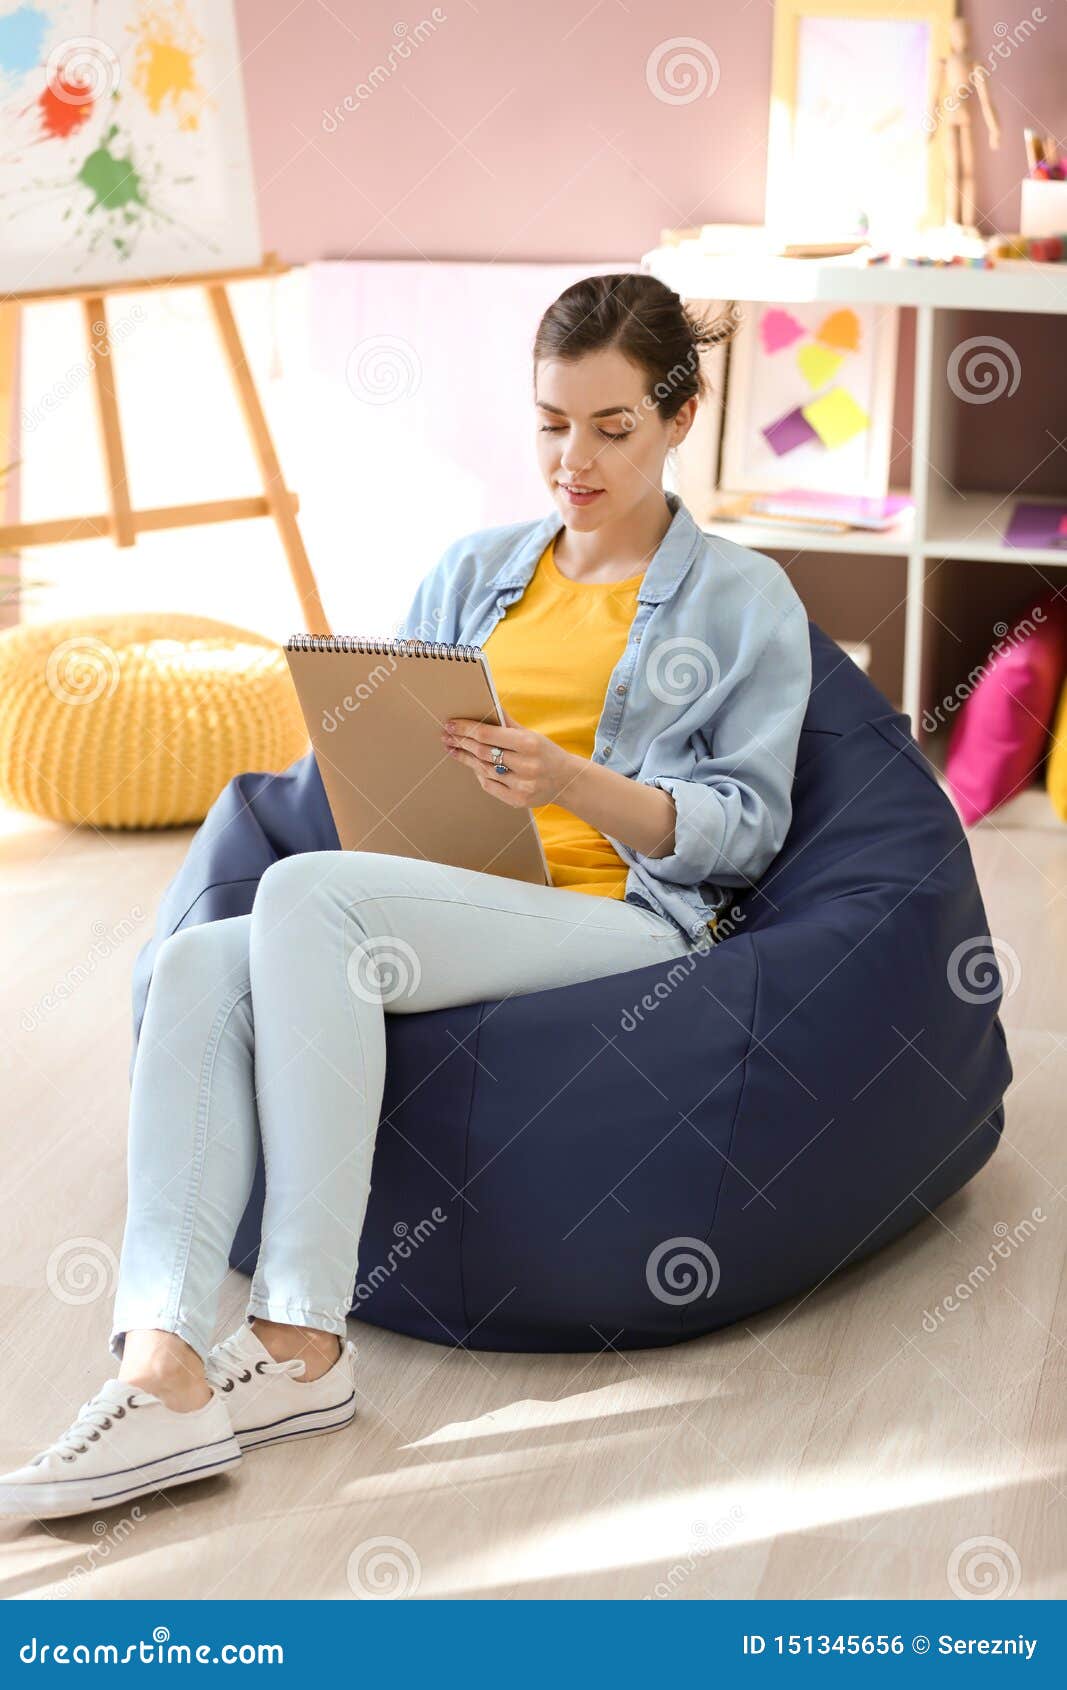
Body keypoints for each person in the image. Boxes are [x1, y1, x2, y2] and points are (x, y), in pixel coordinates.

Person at [0, 272, 812, 1519]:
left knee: (308, 901)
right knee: (204, 956)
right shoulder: (474, 567)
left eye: (610, 429)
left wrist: (573, 782)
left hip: (628, 916)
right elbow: (383, 755)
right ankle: (160, 1358)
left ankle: (300, 1339)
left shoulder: (743, 598)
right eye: (549, 423)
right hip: (460, 892)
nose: (572, 460)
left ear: (678, 414)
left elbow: (743, 836)